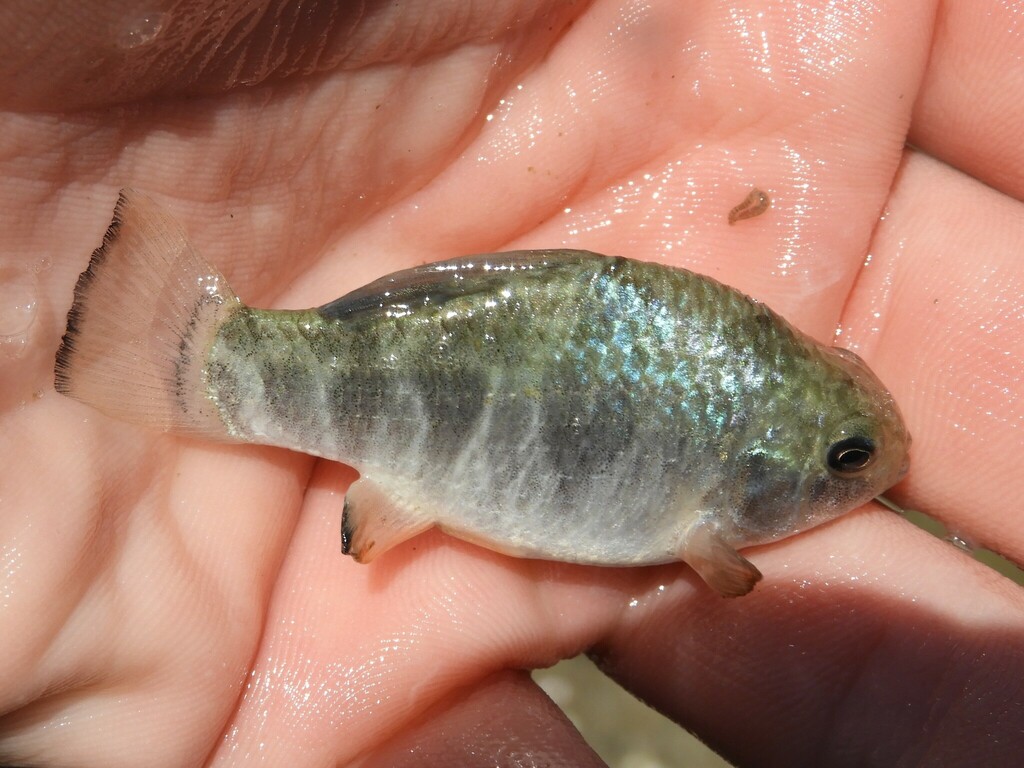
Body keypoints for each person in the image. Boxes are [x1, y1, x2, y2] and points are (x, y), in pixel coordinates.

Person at [1, 1, 1022, 765]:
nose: (858, 474)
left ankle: (222, 361)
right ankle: (217, 364)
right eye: (841, 462)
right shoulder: (719, 535)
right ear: (763, 467)